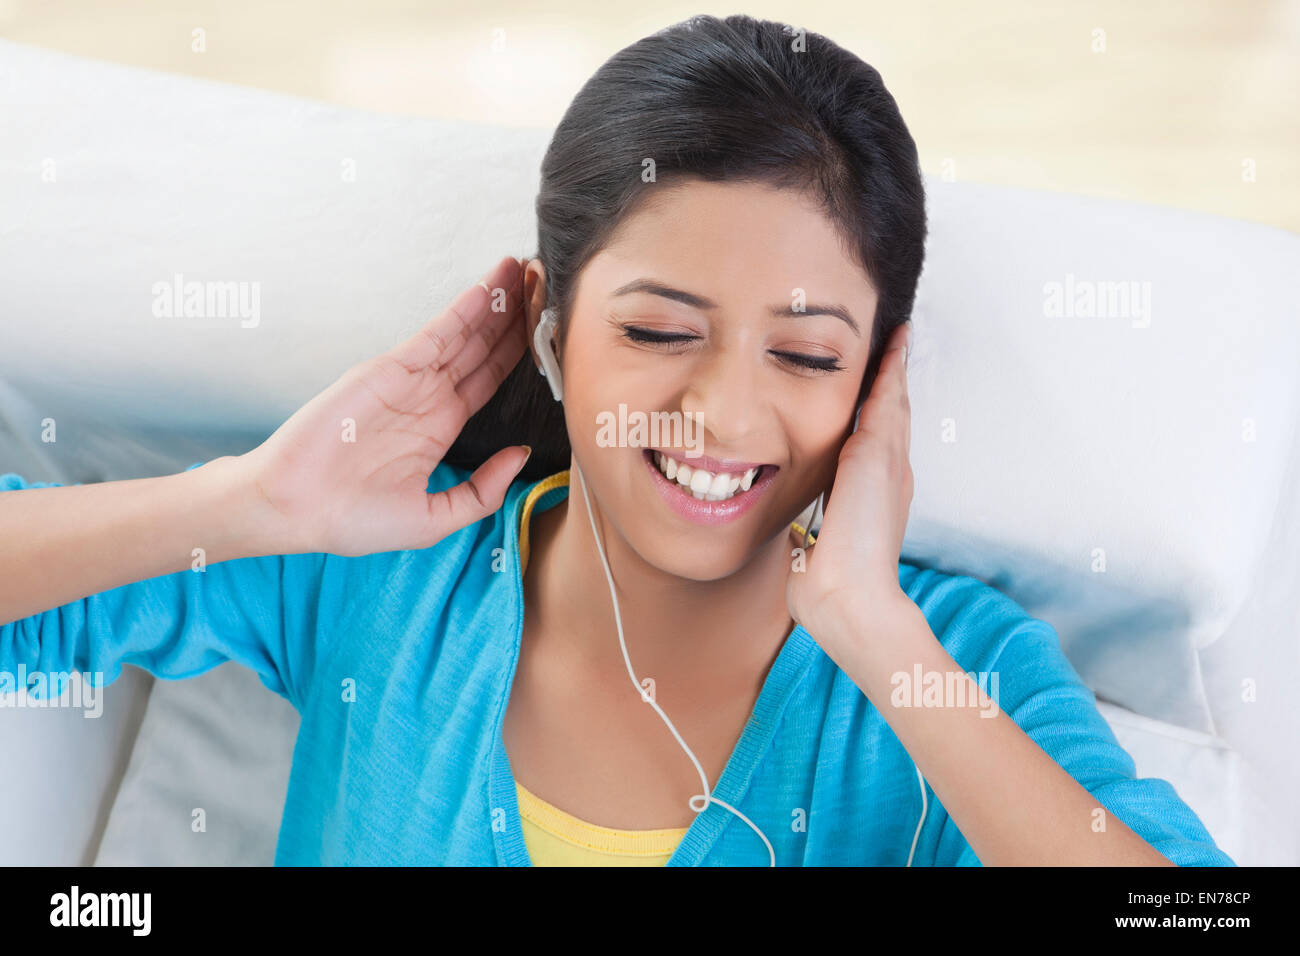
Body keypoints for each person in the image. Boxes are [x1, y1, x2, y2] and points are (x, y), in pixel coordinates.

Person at [0, 14, 1233, 867]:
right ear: (551, 326)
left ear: (875, 382)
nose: (721, 416)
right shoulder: (376, 575)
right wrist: (241, 506)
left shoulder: (947, 669)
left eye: (805, 354)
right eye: (658, 330)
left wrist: (870, 626)